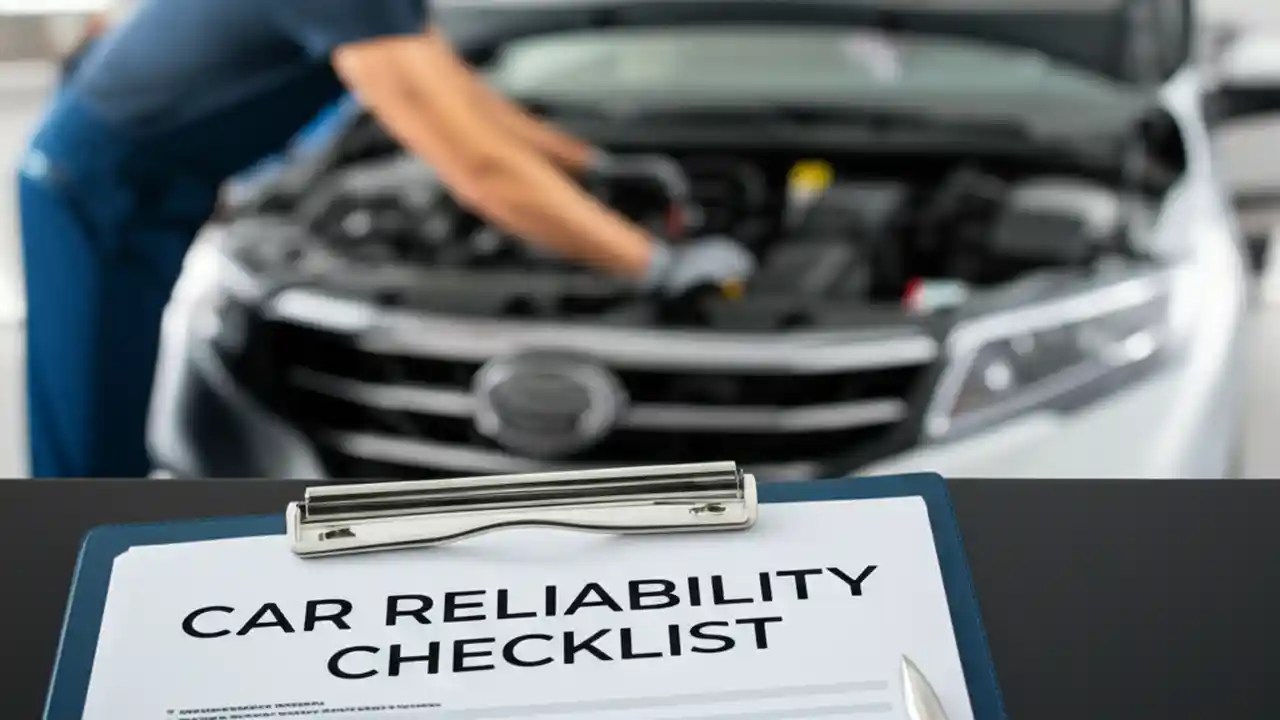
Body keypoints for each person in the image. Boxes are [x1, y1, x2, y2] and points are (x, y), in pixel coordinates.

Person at [18, 0, 756, 479]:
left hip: (164, 190)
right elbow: (477, 168)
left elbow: (462, 95)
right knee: (89, 452)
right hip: (92, 195)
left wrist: (594, 165)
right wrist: (651, 263)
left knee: (114, 409)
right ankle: (61, 640)